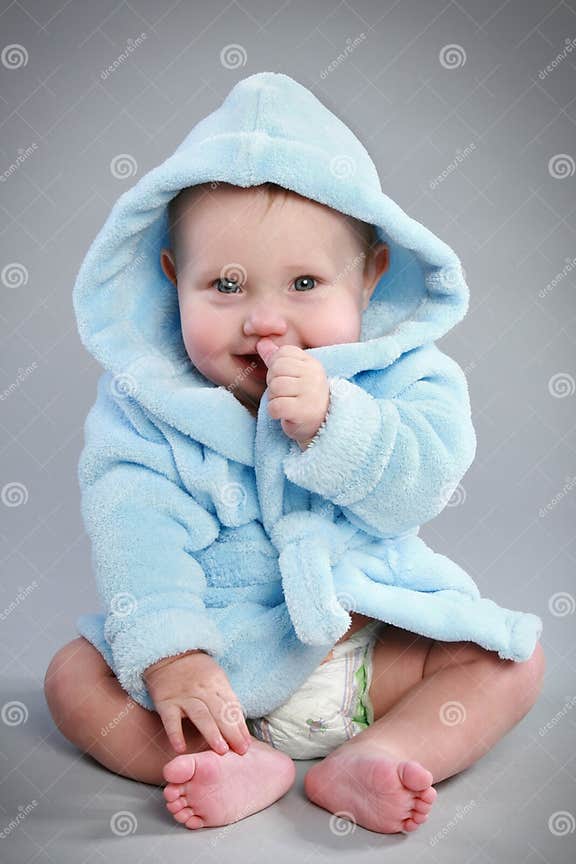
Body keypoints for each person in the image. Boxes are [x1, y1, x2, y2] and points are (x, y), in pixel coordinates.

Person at [44, 72, 544, 835]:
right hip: (218, 678)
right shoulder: (149, 409)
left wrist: (337, 426)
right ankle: (224, 762)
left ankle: (377, 753)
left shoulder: (406, 375)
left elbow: (423, 483)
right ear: (173, 280)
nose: (264, 321)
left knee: (510, 663)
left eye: (305, 282)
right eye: (226, 286)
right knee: (73, 678)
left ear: (372, 276)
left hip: (378, 652)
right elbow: (132, 530)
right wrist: (174, 656)